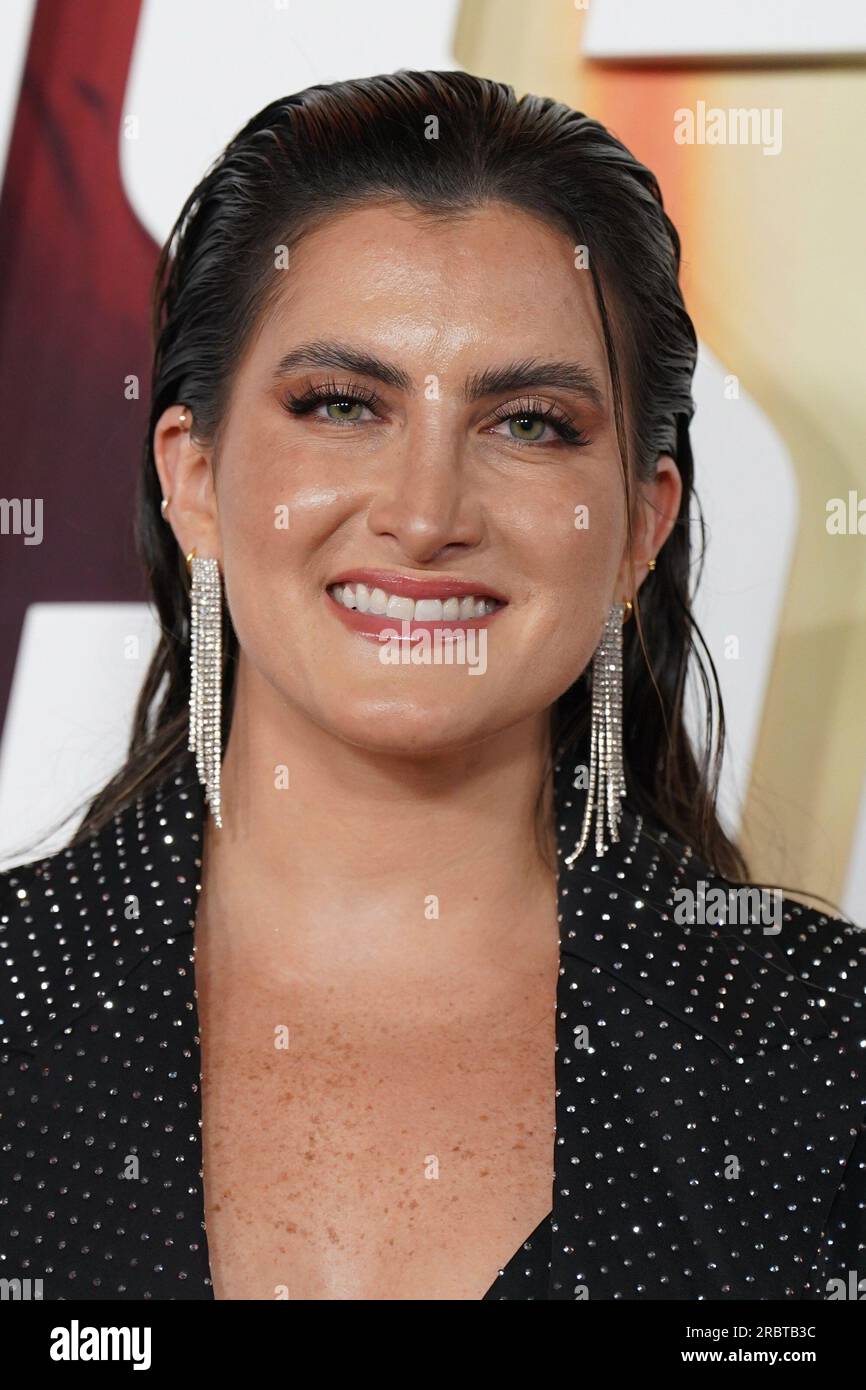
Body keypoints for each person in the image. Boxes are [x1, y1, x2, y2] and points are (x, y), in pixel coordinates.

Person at [1, 70, 863, 1301]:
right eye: (341, 404)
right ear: (194, 477)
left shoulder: (822, 1055)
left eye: (528, 423)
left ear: (638, 523)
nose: (423, 514)